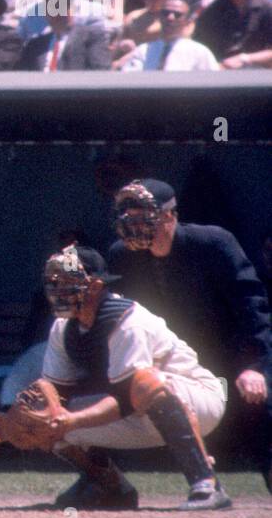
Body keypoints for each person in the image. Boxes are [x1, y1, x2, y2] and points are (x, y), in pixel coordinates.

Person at [0, 244, 232, 511]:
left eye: (67, 282)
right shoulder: (63, 326)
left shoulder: (127, 320)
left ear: (95, 286)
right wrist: (14, 422)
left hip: (197, 398)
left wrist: (71, 419)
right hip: (136, 409)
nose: (58, 291)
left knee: (146, 383)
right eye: (54, 283)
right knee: (43, 414)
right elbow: (56, 393)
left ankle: (207, 483)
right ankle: (109, 486)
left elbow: (129, 397)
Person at [108, 179, 271, 489]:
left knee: (258, 400)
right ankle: (104, 483)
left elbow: (251, 305)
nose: (136, 229)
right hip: (170, 361)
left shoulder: (213, 243)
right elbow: (119, 317)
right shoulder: (122, 256)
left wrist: (254, 366)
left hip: (228, 353)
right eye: (130, 220)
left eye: (144, 220)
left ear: (170, 217)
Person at [119, 0, 220, 71]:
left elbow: (214, 84)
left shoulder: (200, 52)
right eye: (165, 13)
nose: (170, 18)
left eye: (177, 15)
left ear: (187, 21)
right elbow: (129, 82)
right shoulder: (143, 51)